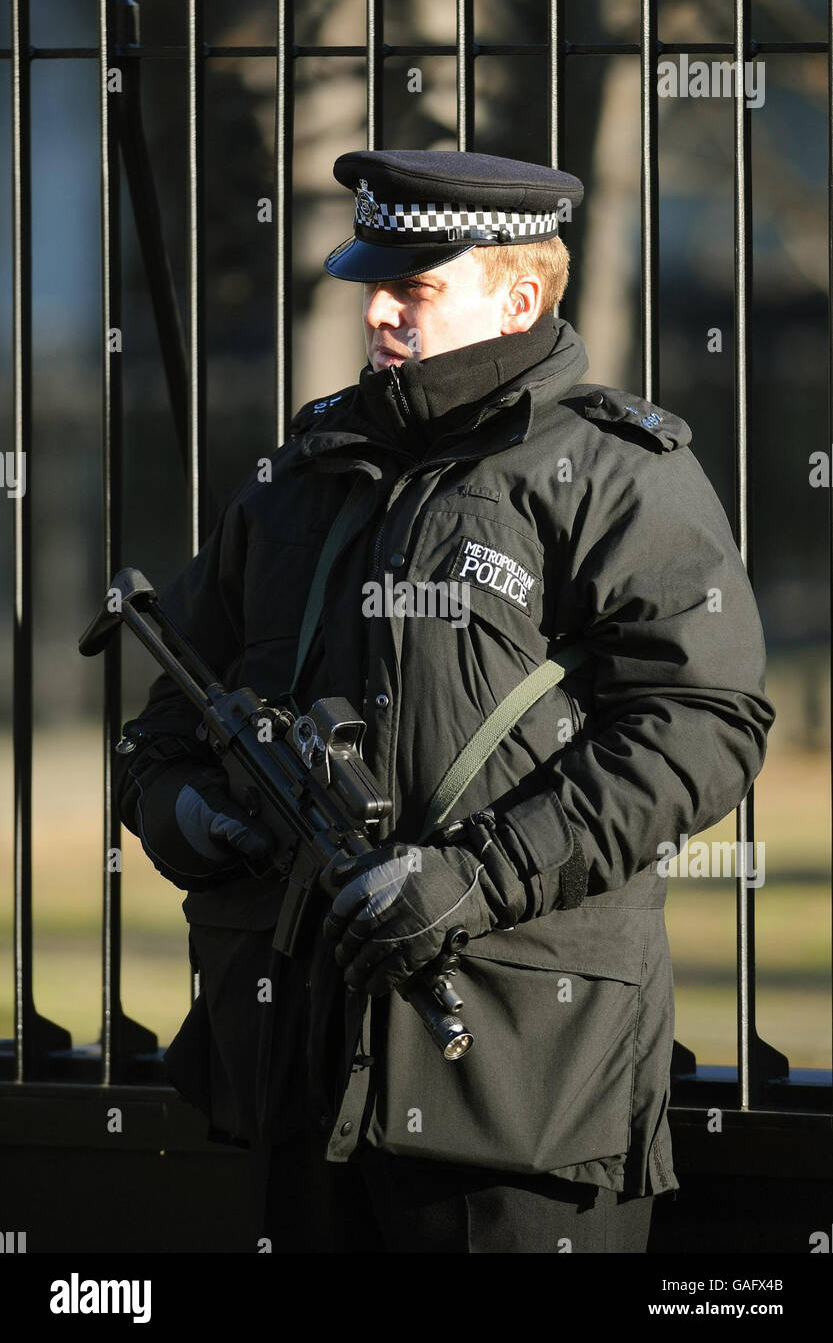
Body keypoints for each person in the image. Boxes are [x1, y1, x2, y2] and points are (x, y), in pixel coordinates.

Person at [114, 149, 774, 1254]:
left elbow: (701, 722)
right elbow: (168, 706)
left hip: (521, 1086)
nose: (376, 310)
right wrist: (185, 813)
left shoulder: (618, 472)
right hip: (301, 1078)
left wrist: (480, 877)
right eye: (372, 281)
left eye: (413, 288)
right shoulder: (303, 474)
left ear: (519, 294)